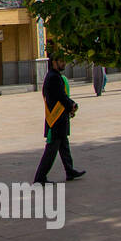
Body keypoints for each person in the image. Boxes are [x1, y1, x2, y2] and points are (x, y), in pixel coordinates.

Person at [34, 56, 86, 184]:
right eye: (61, 61)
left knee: (64, 146)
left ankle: (69, 171)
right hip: (56, 120)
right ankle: (40, 177)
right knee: (51, 150)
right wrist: (72, 105)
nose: (64, 63)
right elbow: (61, 96)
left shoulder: (53, 76)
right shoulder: (54, 77)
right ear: (54, 62)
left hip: (58, 119)